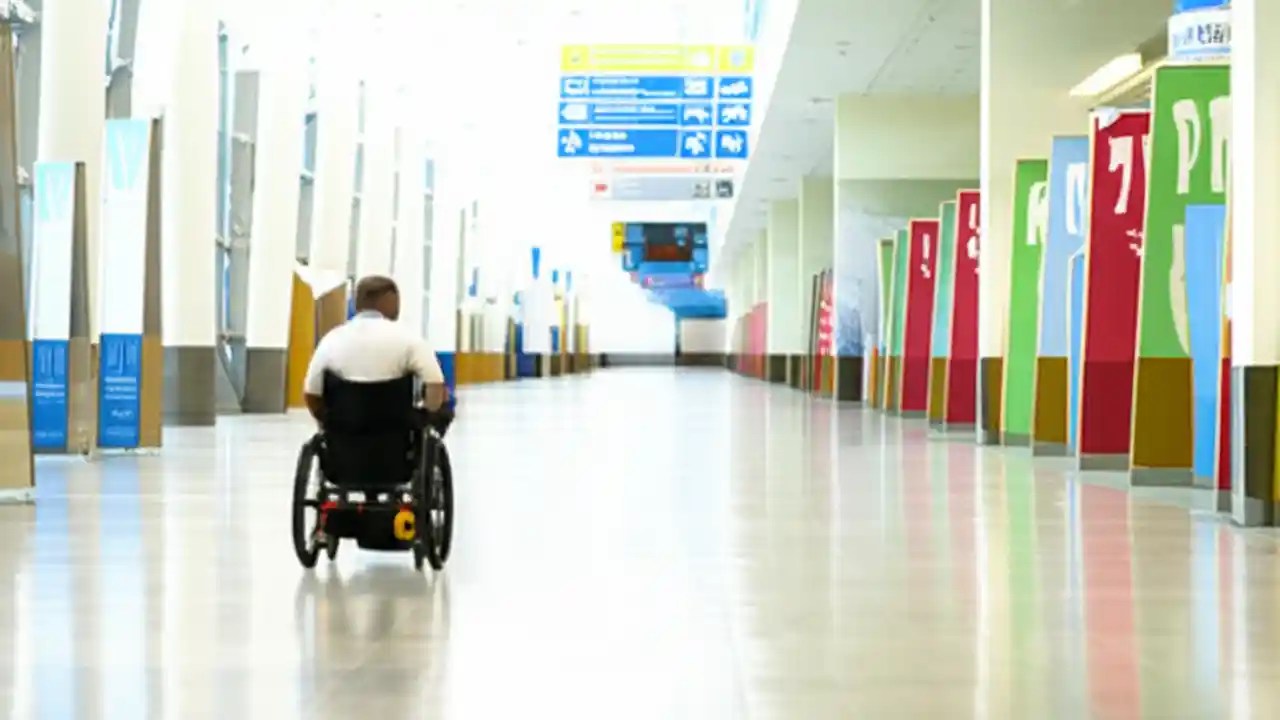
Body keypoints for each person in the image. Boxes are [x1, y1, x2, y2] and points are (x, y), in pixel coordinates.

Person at [303, 275, 447, 424]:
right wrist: (426, 419)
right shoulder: (410, 338)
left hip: (344, 434)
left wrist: (327, 422)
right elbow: (435, 383)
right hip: (398, 433)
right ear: (391, 302)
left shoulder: (331, 339)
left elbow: (311, 393)